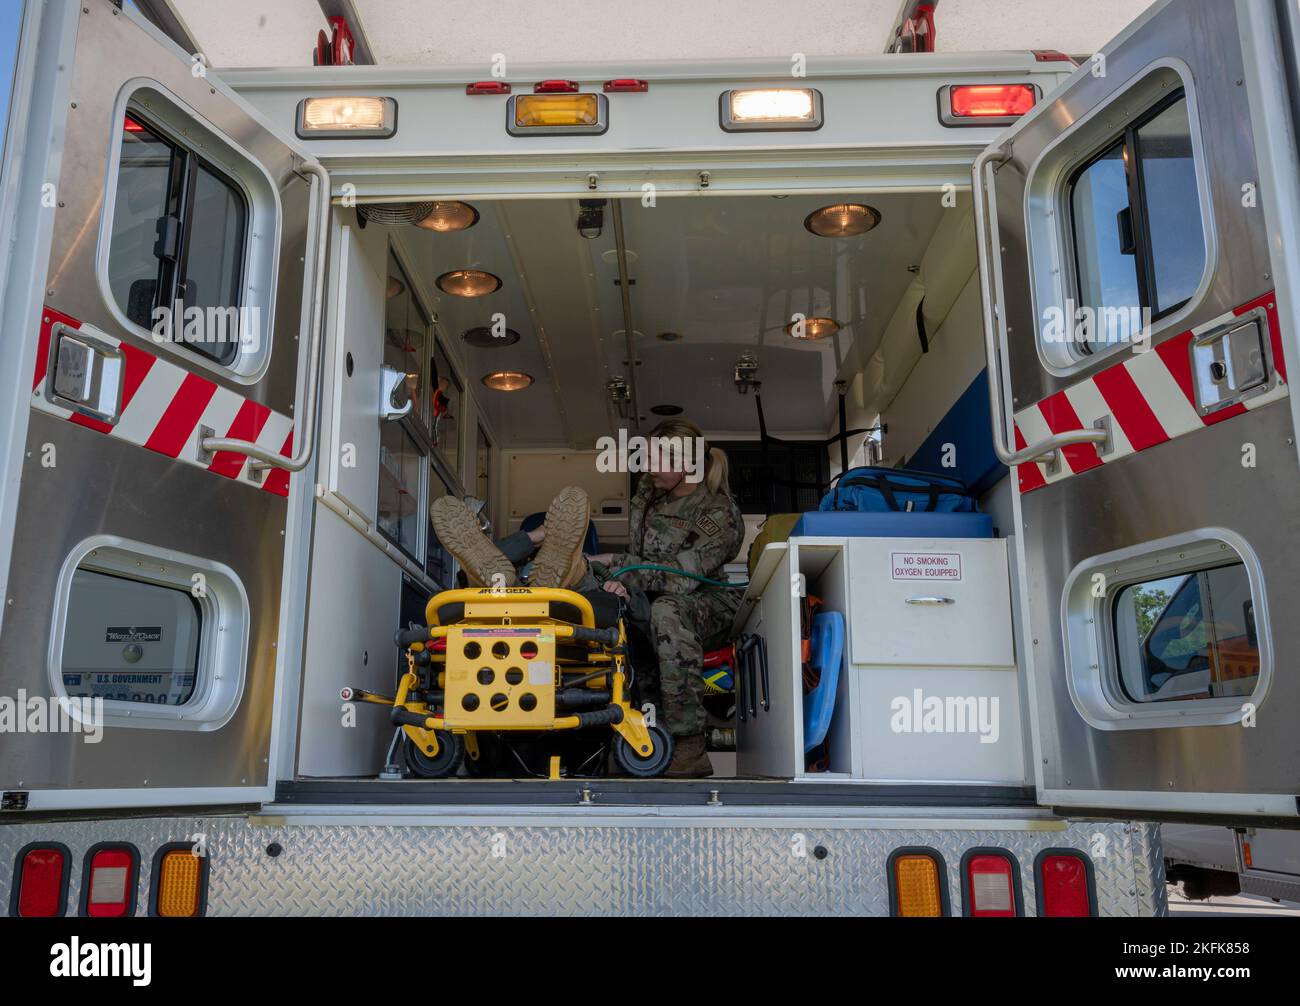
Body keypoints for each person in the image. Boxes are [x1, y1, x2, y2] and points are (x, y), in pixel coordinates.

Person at [429, 418, 743, 778]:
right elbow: (644, 560)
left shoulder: (717, 513)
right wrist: (612, 572)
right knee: (595, 601)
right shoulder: (650, 493)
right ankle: (516, 571)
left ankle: (688, 747)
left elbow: (682, 575)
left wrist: (618, 569)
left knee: (664, 612)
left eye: (658, 459)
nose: (648, 466)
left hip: (701, 602)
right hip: (645, 592)